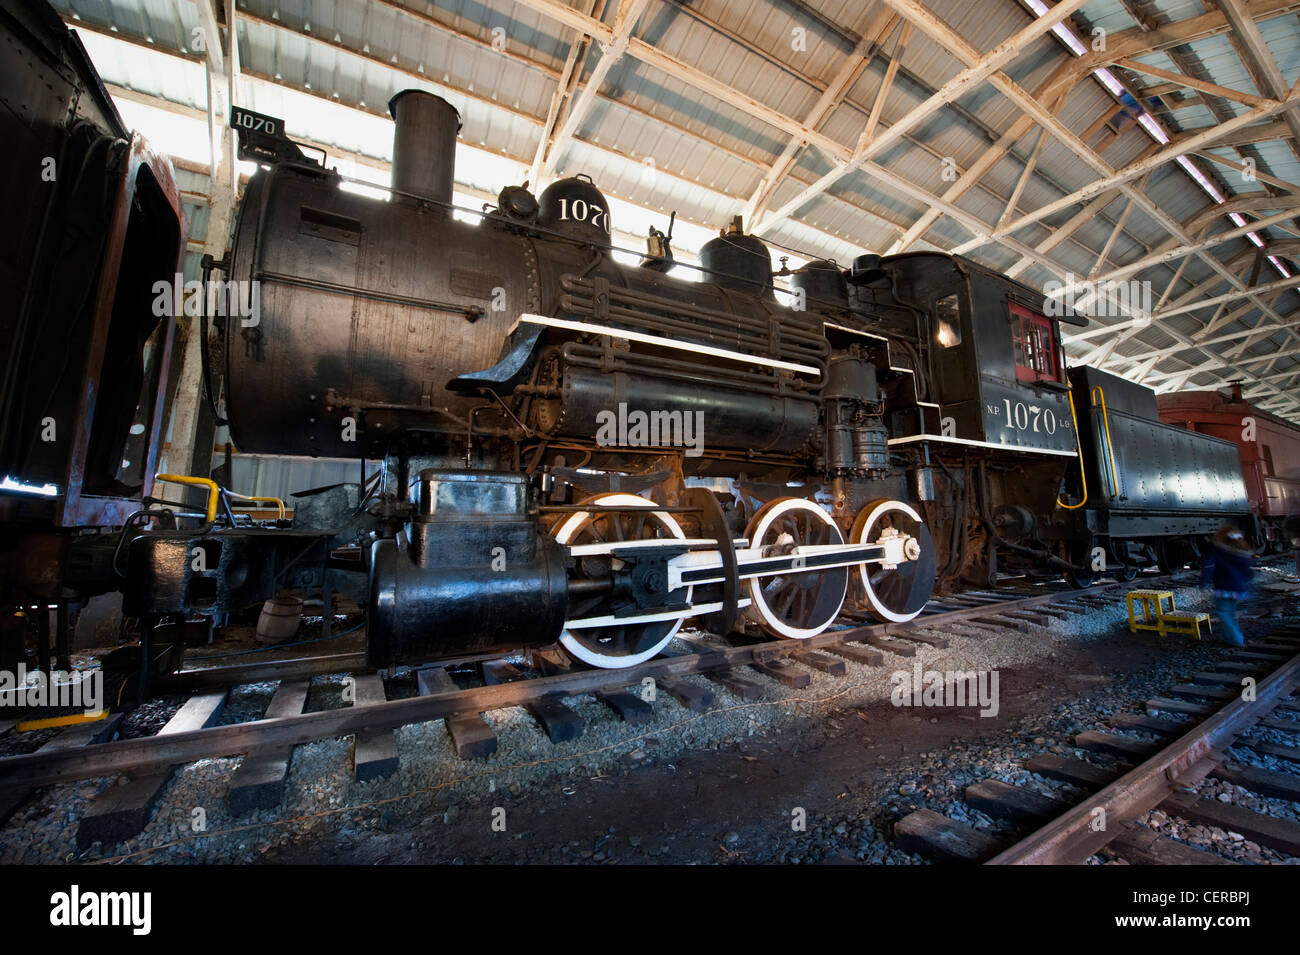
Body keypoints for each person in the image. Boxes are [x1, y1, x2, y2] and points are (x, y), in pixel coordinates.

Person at [1200, 525, 1255, 648]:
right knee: (1231, 613)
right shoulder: (1242, 552)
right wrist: (1246, 582)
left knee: (1223, 613)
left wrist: (1204, 583)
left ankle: (1236, 639)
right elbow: (1249, 571)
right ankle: (1230, 637)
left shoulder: (1215, 551)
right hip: (1238, 589)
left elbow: (1209, 567)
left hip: (1223, 588)